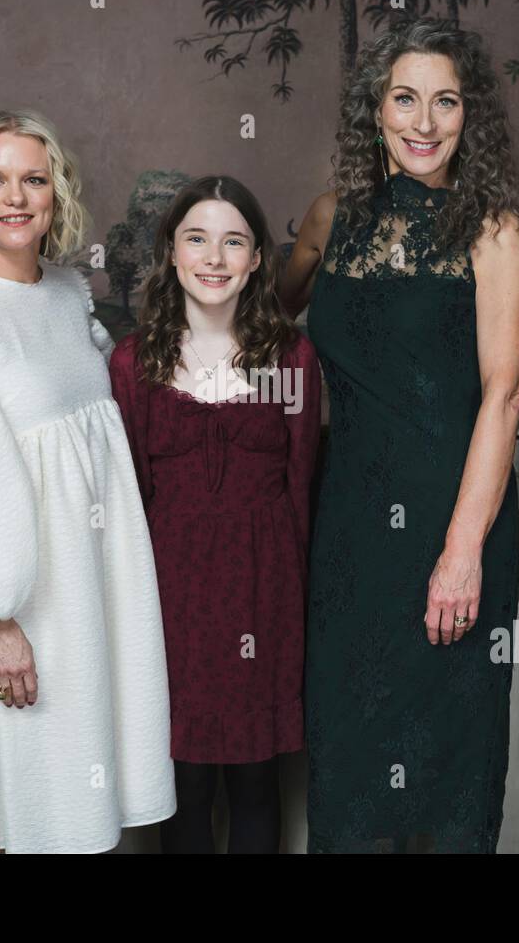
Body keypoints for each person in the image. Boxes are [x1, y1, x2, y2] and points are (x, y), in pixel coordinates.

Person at [0, 109, 176, 853]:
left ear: (57, 195)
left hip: (75, 613)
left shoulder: (72, 297)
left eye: (33, 180)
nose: (14, 198)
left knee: (66, 824)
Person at [280, 18, 519, 853]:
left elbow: (504, 394)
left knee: (450, 764)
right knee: (349, 758)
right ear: (374, 112)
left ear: (471, 116)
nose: (425, 123)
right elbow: (259, 317)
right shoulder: (330, 218)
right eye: (405, 99)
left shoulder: (493, 229)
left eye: (446, 102)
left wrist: (462, 552)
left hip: (452, 520)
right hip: (350, 529)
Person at [109, 176, 321, 853]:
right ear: (172, 252)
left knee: (258, 786)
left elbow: (301, 490)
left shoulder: (292, 358)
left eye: (234, 242)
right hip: (169, 609)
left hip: (264, 601)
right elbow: (129, 499)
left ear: (258, 258)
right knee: (185, 788)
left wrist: (295, 609)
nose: (214, 257)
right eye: (196, 239)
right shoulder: (131, 364)